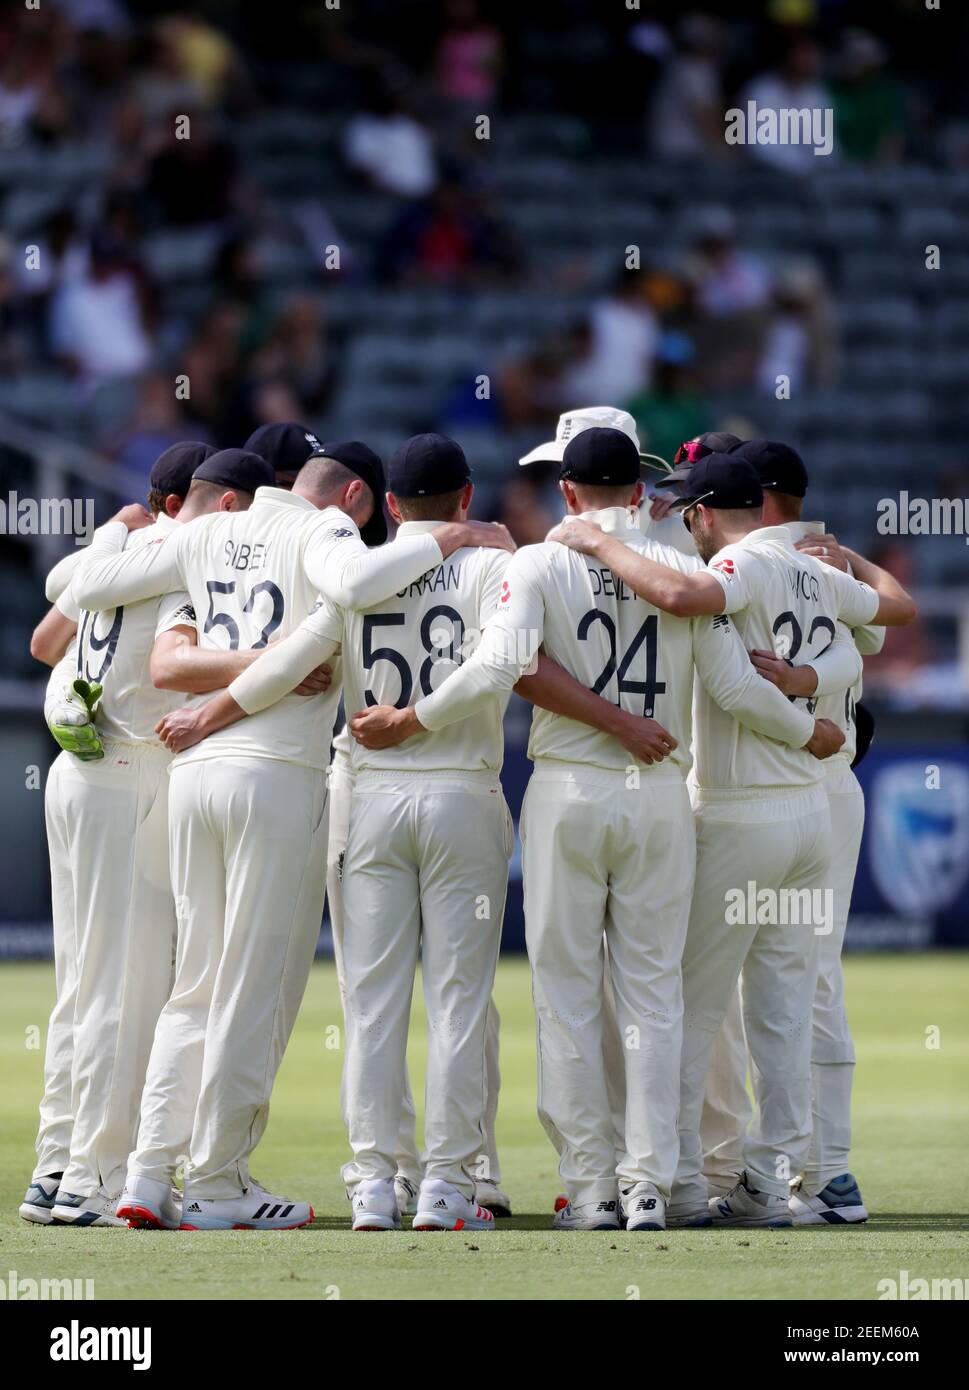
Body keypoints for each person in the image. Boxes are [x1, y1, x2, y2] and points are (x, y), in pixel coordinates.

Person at [152, 433, 681, 1231]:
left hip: (366, 800)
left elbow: (288, 657)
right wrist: (419, 719)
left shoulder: (361, 572)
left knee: (369, 1003)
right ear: (466, 498)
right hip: (461, 797)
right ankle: (445, 1184)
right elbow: (505, 663)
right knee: (460, 999)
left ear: (389, 506)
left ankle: (372, 1184)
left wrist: (208, 714)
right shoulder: (497, 564)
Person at [349, 429, 851, 1232]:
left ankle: (590, 1188)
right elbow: (732, 686)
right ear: (636, 490)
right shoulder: (684, 569)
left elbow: (508, 664)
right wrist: (810, 730)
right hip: (658, 791)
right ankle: (652, 1182)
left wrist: (417, 717)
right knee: (653, 996)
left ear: (570, 492)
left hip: (570, 792)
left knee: (568, 995)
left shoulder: (541, 561)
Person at [71, 441, 514, 1230]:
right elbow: (345, 592)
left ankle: (147, 1175)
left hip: (195, 775)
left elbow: (79, 589)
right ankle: (215, 1182)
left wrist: (115, 537)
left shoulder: (207, 531)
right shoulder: (325, 537)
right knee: (254, 988)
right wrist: (445, 536)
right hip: (277, 775)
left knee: (194, 985)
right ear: (348, 498)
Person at [548, 450, 916, 1226]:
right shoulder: (814, 569)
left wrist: (596, 541)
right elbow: (870, 634)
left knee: (687, 1002)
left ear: (707, 511)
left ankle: (675, 1181)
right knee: (782, 1008)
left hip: (741, 806)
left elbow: (705, 639)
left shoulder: (729, 565)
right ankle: (771, 1182)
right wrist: (814, 683)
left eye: (689, 507)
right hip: (808, 819)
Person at [21, 442, 264, 1228]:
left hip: (80, 773)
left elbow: (45, 638)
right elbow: (178, 665)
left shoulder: (120, 550)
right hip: (132, 768)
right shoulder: (186, 554)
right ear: (223, 503)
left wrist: (108, 536)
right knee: (125, 992)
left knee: (84, 983)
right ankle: (92, 1177)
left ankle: (56, 1164)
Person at [700, 439, 885, 1224]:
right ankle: (804, 1170)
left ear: (760, 497)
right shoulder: (817, 569)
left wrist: (802, 692)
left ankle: (816, 1172)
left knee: (792, 982)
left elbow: (892, 616)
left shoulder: (770, 566)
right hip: (819, 787)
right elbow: (884, 620)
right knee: (791, 983)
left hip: (799, 781)